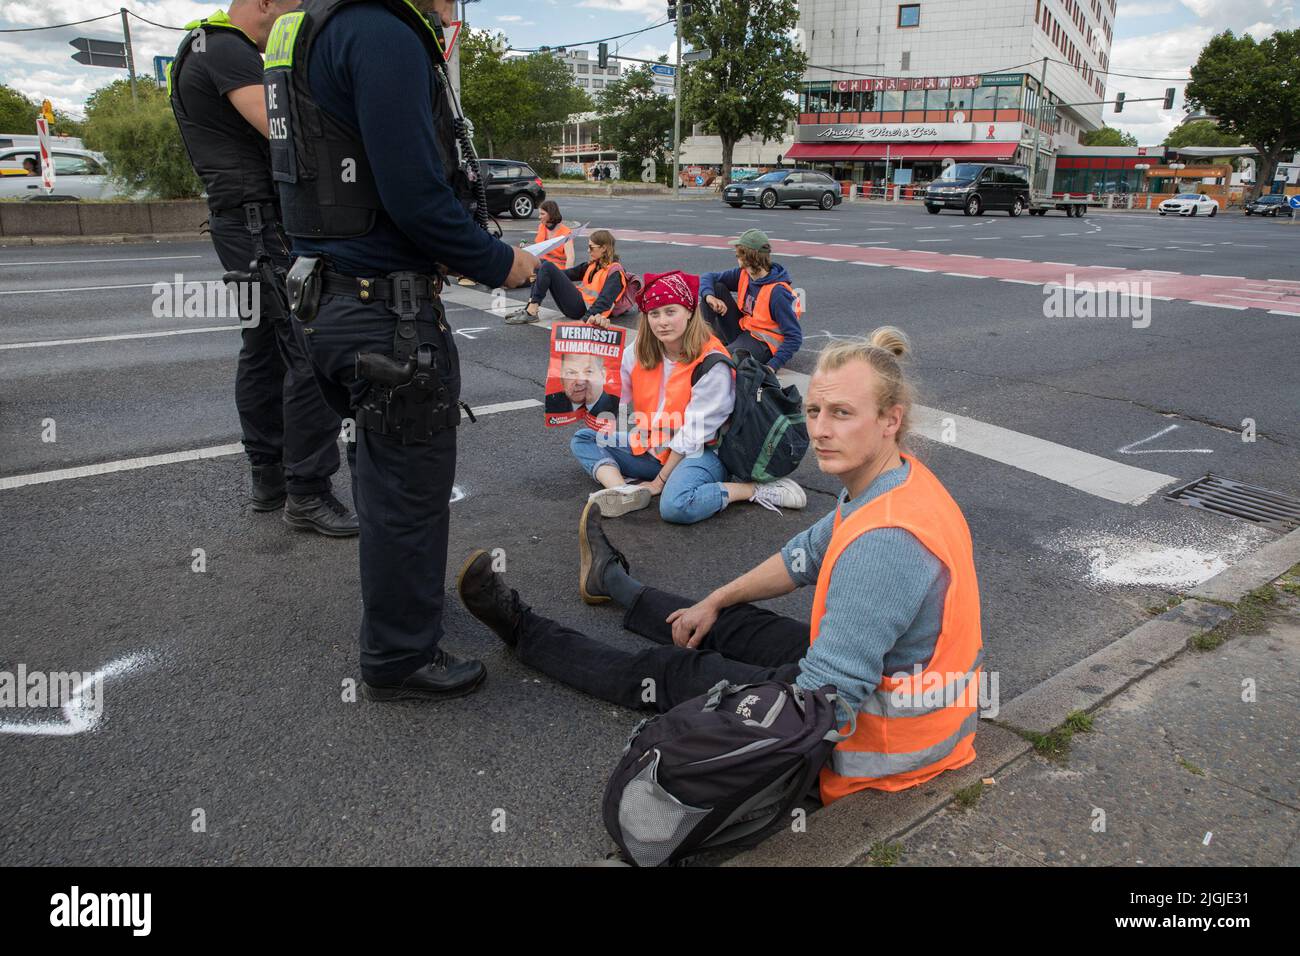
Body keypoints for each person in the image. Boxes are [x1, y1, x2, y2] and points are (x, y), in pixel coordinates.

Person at [457, 328, 983, 803]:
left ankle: (526, 631)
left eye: (841, 413)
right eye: (816, 411)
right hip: (894, 696)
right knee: (733, 621)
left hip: (875, 740)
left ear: (890, 420)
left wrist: (720, 712)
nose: (819, 430)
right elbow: (801, 558)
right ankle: (617, 585)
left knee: (672, 671)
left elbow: (825, 703)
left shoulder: (886, 539)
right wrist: (714, 602)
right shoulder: (898, 482)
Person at [262, 0, 537, 701]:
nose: (455, 6)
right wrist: (500, 262)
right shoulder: (382, 31)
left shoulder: (305, 23)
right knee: (408, 494)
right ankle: (399, 657)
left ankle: (403, 610)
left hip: (321, 293)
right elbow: (414, 192)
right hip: (384, 312)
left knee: (382, 477)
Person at [168, 0, 356, 536]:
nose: (294, 19)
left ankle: (269, 478)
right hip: (260, 226)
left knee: (263, 349)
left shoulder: (205, 47)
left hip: (240, 225)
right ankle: (307, 490)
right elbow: (281, 127)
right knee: (306, 349)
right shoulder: (225, 49)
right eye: (292, 7)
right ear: (265, 2)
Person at [570, 270, 805, 523]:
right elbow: (614, 399)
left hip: (701, 452)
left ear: (690, 312)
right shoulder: (639, 350)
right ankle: (622, 491)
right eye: (654, 314)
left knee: (676, 506)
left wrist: (658, 483)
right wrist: (597, 348)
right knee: (584, 439)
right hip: (654, 445)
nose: (662, 322)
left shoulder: (712, 362)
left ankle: (753, 490)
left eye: (671, 312)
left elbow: (693, 435)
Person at [700, 228, 803, 372]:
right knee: (715, 288)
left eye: (739, 252)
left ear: (748, 256)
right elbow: (708, 277)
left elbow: (794, 337)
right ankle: (700, 342)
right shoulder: (744, 274)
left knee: (718, 360)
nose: (735, 254)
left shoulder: (778, 292)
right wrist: (709, 296)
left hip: (762, 343)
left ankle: (722, 350)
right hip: (744, 329)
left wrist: (773, 366)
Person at [504, 229, 628, 327]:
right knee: (541, 266)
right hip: (576, 305)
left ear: (604, 248)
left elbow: (605, 301)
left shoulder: (615, 272)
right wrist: (540, 274)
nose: (588, 250)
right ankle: (530, 308)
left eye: (591, 247)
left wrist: (584, 321)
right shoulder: (593, 265)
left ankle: (531, 312)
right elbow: (564, 274)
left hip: (584, 310)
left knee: (547, 267)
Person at [545, 351, 618, 419]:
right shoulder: (552, 402)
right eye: (571, 373)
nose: (580, 382)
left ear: (603, 375)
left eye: (588, 372)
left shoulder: (615, 404)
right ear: (561, 378)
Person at [532, 199, 574, 272]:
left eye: (542, 214)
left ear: (551, 214)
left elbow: (571, 258)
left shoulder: (566, 232)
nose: (539, 217)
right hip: (541, 263)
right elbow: (537, 248)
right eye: (539, 214)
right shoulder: (541, 226)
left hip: (557, 267)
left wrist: (567, 277)